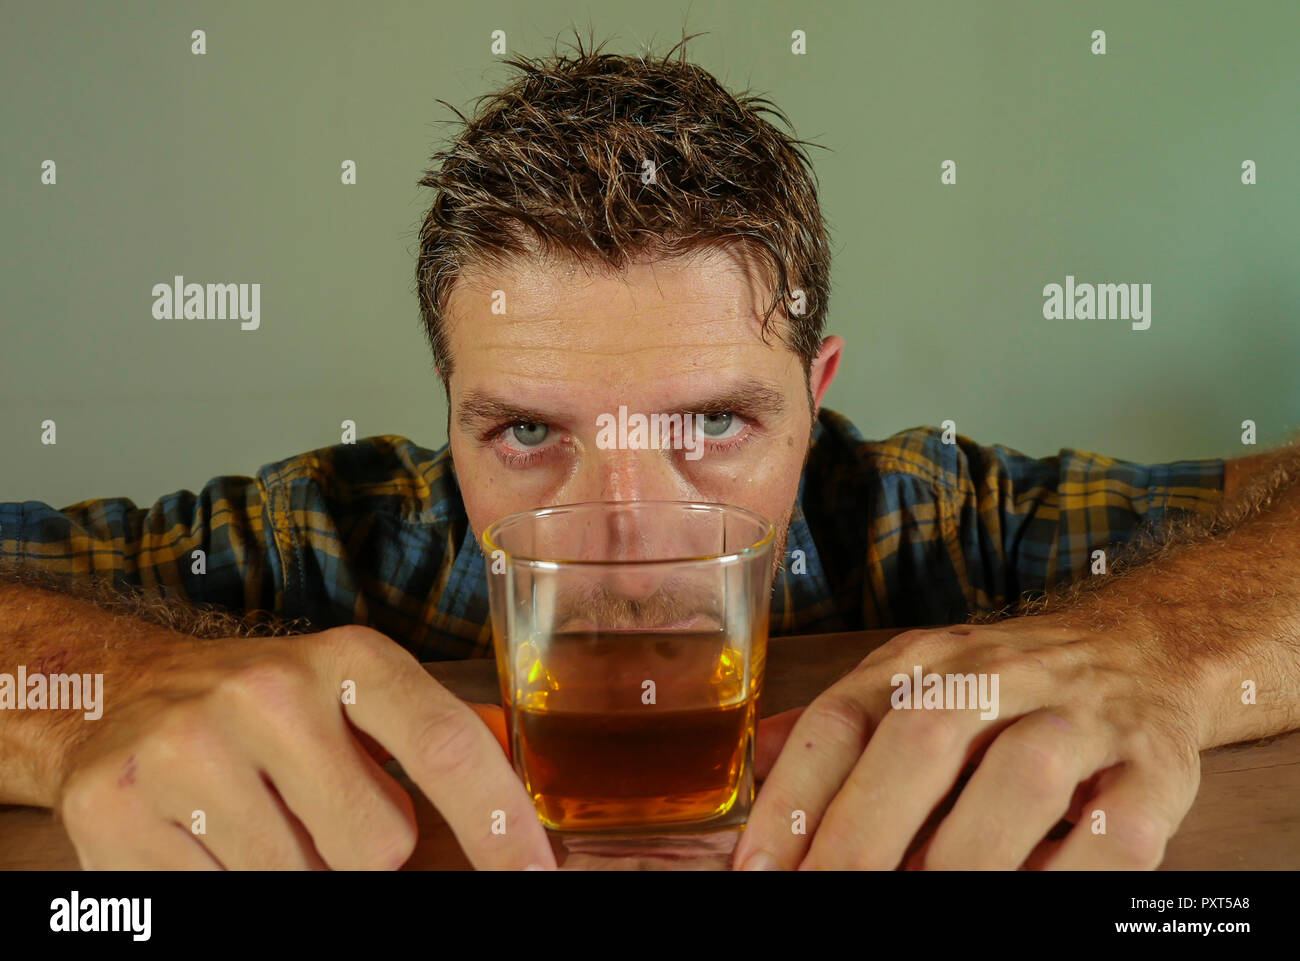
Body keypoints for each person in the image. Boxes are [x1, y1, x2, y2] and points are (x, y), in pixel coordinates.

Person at [2, 40, 1297, 871]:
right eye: (526, 432)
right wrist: (94, 693)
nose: (628, 534)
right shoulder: (330, 540)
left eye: (714, 424)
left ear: (815, 393)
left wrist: (1157, 652)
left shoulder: (941, 520)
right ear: (448, 413)